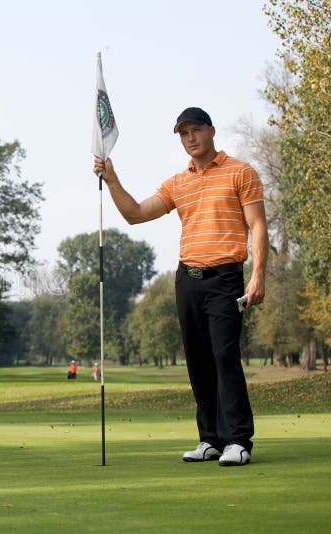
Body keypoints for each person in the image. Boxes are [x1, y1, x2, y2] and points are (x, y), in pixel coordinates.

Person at [93, 107, 268, 467]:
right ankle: (210, 439)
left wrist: (258, 274)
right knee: (198, 361)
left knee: (224, 355)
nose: (190, 138)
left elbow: (258, 226)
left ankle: (237, 440)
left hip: (225, 279)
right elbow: (136, 214)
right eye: (183, 133)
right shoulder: (178, 182)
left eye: (195, 130)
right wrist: (112, 180)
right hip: (187, 280)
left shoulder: (241, 172)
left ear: (211, 131)